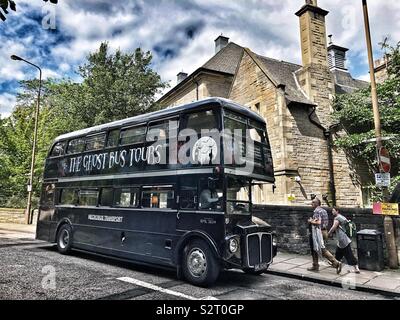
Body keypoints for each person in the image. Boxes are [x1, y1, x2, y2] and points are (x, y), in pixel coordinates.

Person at [307, 198, 342, 274]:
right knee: (315, 249)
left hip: (318, 233)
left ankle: (336, 263)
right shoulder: (324, 210)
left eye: (313, 202)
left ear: (317, 204)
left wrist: (310, 221)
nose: (311, 204)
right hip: (324, 231)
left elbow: (318, 222)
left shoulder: (316, 211)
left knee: (321, 249)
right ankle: (315, 265)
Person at [328, 208, 360, 274]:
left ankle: (356, 267)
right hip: (344, 238)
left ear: (337, 211)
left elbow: (334, 227)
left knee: (349, 254)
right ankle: (335, 263)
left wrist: (329, 233)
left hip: (343, 238)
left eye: (333, 210)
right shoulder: (342, 217)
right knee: (338, 252)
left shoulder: (337, 218)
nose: (332, 212)